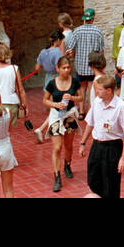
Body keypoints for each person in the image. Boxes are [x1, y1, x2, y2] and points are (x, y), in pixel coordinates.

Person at [78, 74, 124, 199]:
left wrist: (123, 157)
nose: (96, 91)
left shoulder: (121, 106)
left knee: (111, 184)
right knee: (93, 180)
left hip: (112, 148)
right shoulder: (97, 102)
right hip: (97, 146)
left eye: (99, 89)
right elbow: (90, 123)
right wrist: (82, 143)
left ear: (109, 90)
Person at [43, 54, 81, 192]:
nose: (66, 70)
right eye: (63, 68)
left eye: (68, 67)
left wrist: (72, 97)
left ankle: (67, 164)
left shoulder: (74, 81)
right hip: (56, 116)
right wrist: (55, 104)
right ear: (57, 69)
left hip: (69, 115)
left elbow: (81, 97)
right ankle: (57, 176)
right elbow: (45, 100)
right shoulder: (52, 83)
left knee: (69, 145)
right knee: (57, 147)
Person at [71, 8, 106, 116]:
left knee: (82, 88)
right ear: (93, 17)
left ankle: (81, 111)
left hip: (80, 65)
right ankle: (91, 110)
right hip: (93, 65)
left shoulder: (77, 31)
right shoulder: (98, 31)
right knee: (92, 89)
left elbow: (71, 47)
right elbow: (101, 49)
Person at [0, 43, 28, 125]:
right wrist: (24, 104)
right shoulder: (14, 68)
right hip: (11, 103)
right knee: (9, 131)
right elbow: (20, 90)